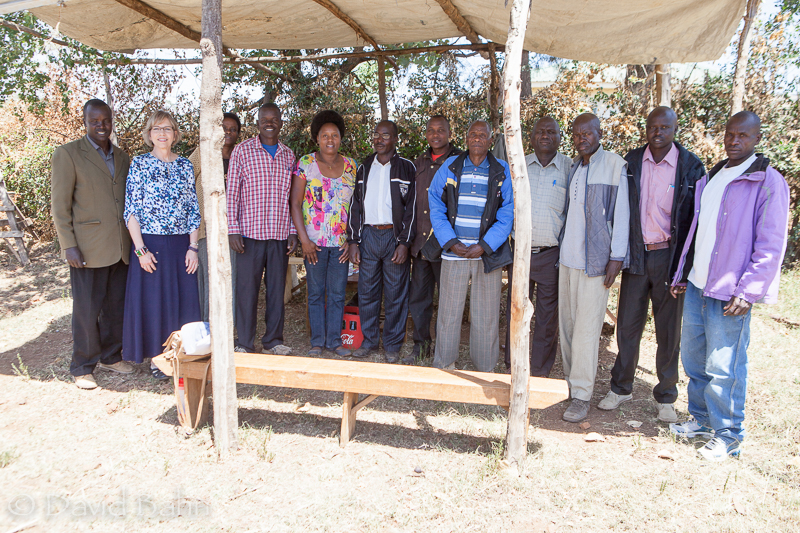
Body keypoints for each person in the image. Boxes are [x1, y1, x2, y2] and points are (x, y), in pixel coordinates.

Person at [669, 111, 789, 461]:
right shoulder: (714, 175)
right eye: (730, 134)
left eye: (743, 136)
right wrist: (682, 272)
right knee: (693, 359)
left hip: (729, 290)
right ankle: (702, 420)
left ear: (756, 138)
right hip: (697, 284)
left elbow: (771, 243)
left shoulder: (766, 181)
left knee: (725, 366)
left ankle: (729, 435)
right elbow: (697, 232)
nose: (735, 141)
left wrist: (748, 290)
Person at [597, 107, 705, 422]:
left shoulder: (690, 167)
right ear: (646, 129)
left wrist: (684, 268)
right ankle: (621, 387)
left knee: (668, 329)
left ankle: (666, 396)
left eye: (665, 127)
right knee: (627, 325)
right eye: (652, 126)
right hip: (637, 254)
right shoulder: (631, 162)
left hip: (670, 257)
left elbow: (696, 221)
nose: (658, 132)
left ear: (674, 129)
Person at [51, 99, 134, 389]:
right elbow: (60, 207)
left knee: (115, 307)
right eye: (94, 121)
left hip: (120, 247)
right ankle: (82, 366)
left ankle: (111, 356)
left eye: (106, 120)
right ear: (85, 122)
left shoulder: (122, 157)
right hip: (86, 249)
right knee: (86, 309)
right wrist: (68, 245)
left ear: (112, 121)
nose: (101, 126)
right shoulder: (68, 154)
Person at [559, 113, 629, 423]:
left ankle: (582, 395)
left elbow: (623, 215)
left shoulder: (614, 164)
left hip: (596, 263)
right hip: (568, 260)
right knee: (568, 328)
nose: (581, 138)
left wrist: (617, 258)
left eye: (588, 133)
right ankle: (571, 386)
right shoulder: (575, 166)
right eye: (576, 134)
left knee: (587, 332)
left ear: (600, 133)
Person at [428, 120, 514, 372]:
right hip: (454, 254)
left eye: (482, 135)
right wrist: (451, 242)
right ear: (466, 139)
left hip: (487, 255)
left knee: (486, 316)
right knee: (448, 313)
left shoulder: (502, 170)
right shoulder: (450, 166)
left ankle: (485, 368)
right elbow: (435, 203)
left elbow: (508, 212)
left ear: (490, 139)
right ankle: (444, 365)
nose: (477, 139)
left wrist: (485, 245)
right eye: (472, 134)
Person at [122, 110, 201, 379]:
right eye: (156, 129)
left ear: (175, 134)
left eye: (167, 128)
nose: (162, 133)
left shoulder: (185, 165)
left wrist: (193, 248)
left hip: (181, 246)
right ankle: (158, 359)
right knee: (155, 303)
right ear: (149, 134)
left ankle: (181, 356)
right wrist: (141, 250)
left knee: (182, 301)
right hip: (150, 245)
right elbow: (131, 211)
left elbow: (193, 209)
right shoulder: (139, 164)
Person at [227, 103, 298, 355]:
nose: (269, 122)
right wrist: (232, 228)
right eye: (264, 119)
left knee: (276, 290)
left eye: (274, 118)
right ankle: (244, 342)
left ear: (280, 122)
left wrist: (292, 230)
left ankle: (273, 341)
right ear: (257, 123)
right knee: (246, 291)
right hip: (249, 235)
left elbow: (292, 198)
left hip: (279, 235)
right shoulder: (242, 151)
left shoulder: (289, 155)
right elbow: (232, 192)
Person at [503, 116, 571, 377]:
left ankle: (540, 370)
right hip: (519, 252)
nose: (545, 135)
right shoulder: (518, 164)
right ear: (530, 137)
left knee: (546, 316)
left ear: (559, 137)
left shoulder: (569, 167)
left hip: (550, 253)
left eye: (551, 131)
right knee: (516, 309)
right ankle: (513, 363)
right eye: (540, 131)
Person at [347, 120, 416, 362]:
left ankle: (392, 345)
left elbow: (412, 209)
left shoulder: (407, 168)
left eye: (385, 135)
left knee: (396, 292)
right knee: (367, 292)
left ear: (395, 139)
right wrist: (354, 240)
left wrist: (404, 243)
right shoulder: (364, 167)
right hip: (368, 235)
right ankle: (369, 341)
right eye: (376, 134)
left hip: (393, 237)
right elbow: (355, 205)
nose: (379, 139)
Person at [290, 110, 357, 357]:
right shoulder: (305, 164)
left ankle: (335, 341)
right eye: (324, 135)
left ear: (341, 138)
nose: (330, 140)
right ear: (316, 138)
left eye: (335, 135)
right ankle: (317, 341)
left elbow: (356, 207)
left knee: (338, 293)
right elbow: (295, 204)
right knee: (316, 293)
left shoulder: (351, 166)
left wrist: (352, 240)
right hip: (314, 245)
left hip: (340, 244)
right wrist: (304, 241)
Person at [407, 115, 463, 364]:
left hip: (447, 244)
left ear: (449, 133)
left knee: (449, 301)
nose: (436, 134)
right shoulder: (418, 162)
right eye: (431, 130)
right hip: (421, 244)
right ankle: (421, 345)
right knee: (419, 298)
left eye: (441, 130)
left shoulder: (461, 161)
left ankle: (446, 349)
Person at [188, 112, 241, 323]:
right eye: (224, 128)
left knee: (230, 280)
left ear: (238, 134)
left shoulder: (240, 155)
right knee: (209, 281)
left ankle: (228, 329)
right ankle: (208, 331)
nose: (228, 132)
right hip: (206, 228)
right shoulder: (204, 152)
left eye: (233, 129)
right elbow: (185, 181)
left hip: (233, 231)